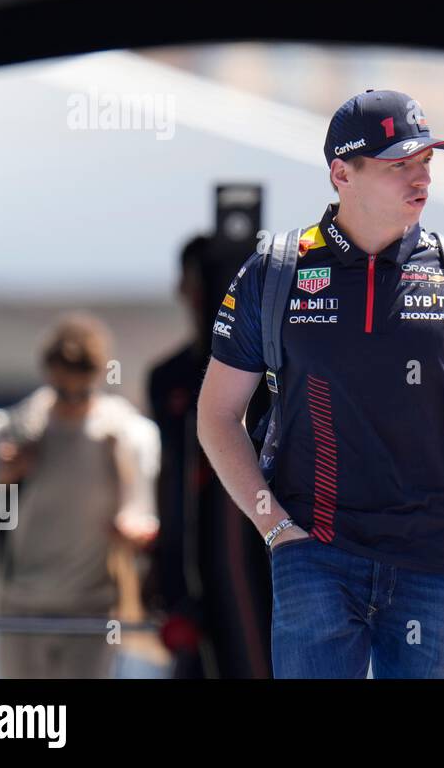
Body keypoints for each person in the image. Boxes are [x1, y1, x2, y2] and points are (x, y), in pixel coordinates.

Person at [196, 89, 444, 678]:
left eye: (427, 162)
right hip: (315, 554)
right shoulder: (276, 270)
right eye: (399, 164)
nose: (421, 178)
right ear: (341, 173)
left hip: (435, 559)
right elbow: (217, 416)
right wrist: (275, 527)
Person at [0, 313, 160, 678]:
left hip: (94, 610)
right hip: (19, 610)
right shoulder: (13, 429)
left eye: (83, 391)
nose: (73, 402)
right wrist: (4, 478)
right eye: (64, 391)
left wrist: (132, 531)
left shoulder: (126, 435)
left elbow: (143, 516)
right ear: (47, 375)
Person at [148, 236, 272, 678]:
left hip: (262, 555)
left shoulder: (276, 374)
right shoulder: (169, 377)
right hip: (191, 561)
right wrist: (163, 567)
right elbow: (166, 475)